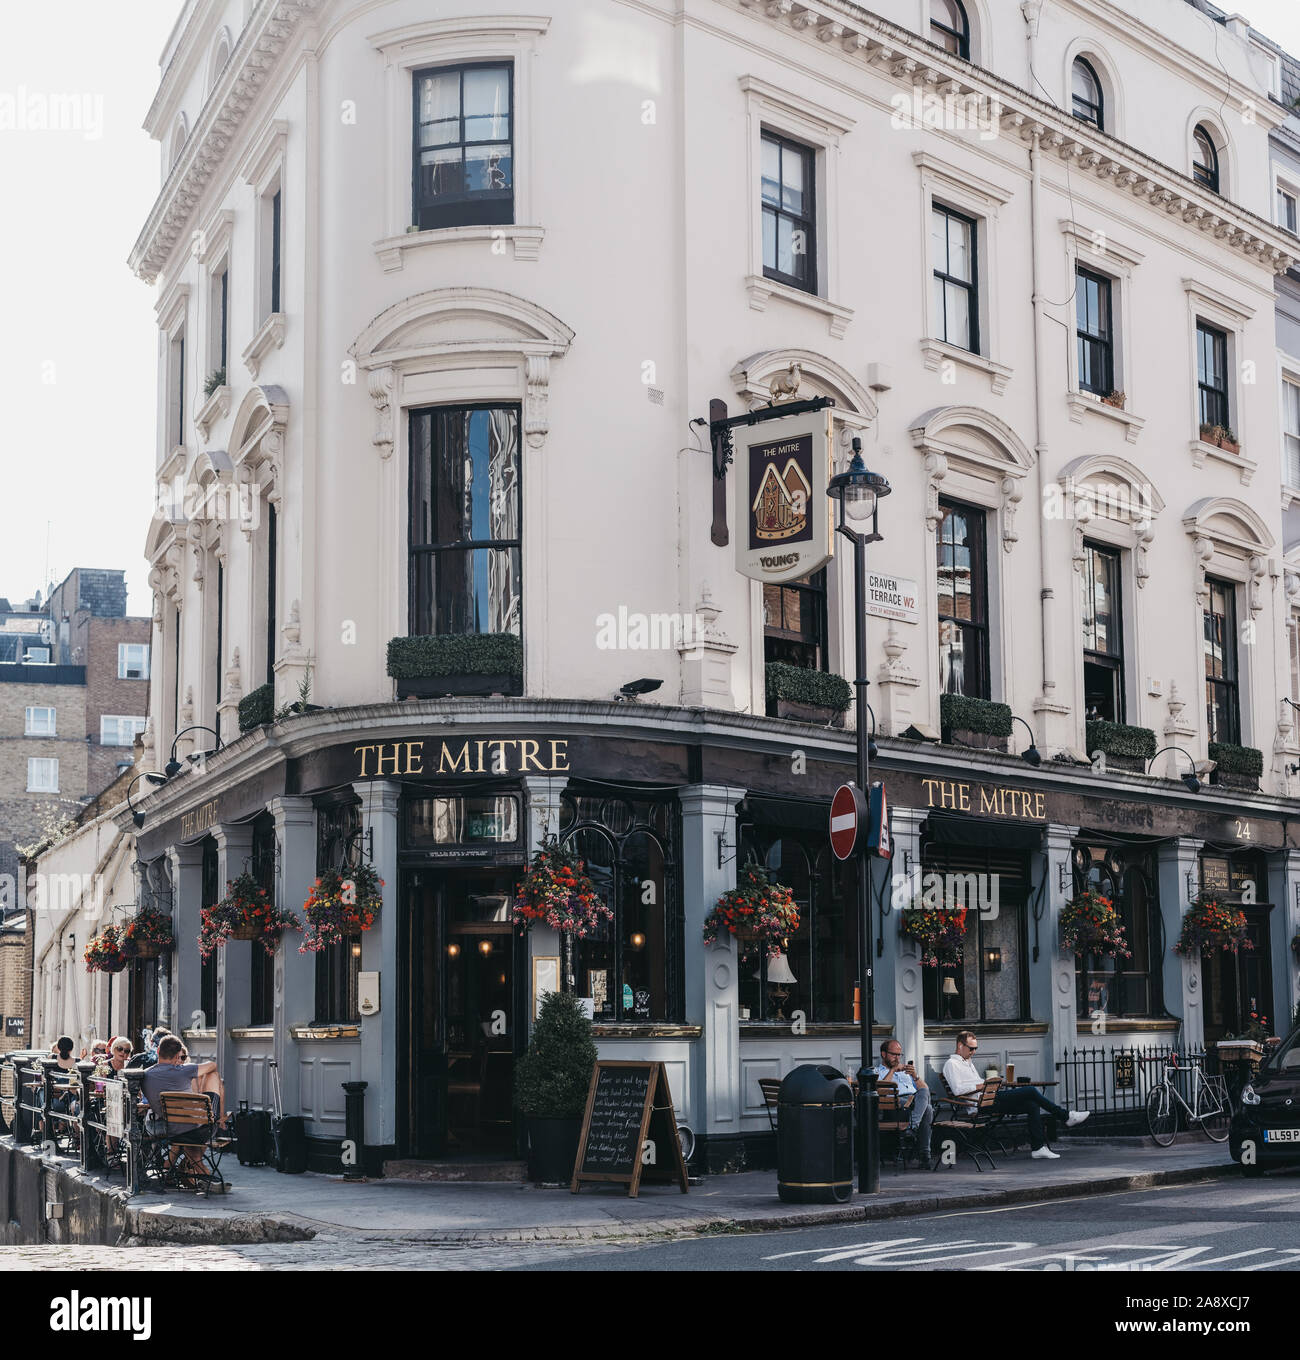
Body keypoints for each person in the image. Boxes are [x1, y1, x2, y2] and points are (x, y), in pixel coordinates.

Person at [942, 1030, 1089, 1160]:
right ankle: (1066, 1116)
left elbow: (975, 1083)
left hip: (991, 1098)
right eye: (971, 1048)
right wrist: (983, 1085)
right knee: (1030, 1090)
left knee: (1032, 1105)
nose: (974, 1052)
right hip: (979, 1105)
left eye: (976, 1048)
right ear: (960, 1046)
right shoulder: (951, 1064)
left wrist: (990, 1083)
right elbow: (957, 1090)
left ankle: (1038, 1148)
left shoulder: (968, 1062)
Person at [873, 1039, 933, 1156]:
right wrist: (893, 1070)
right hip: (895, 1107)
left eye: (899, 1055)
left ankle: (912, 1127)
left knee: (924, 1092)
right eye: (893, 1054)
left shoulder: (905, 1072)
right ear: (883, 1054)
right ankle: (925, 1154)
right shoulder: (877, 1071)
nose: (897, 1058)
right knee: (928, 1109)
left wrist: (915, 1076)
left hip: (914, 1104)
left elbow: (925, 1091)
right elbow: (881, 1091)